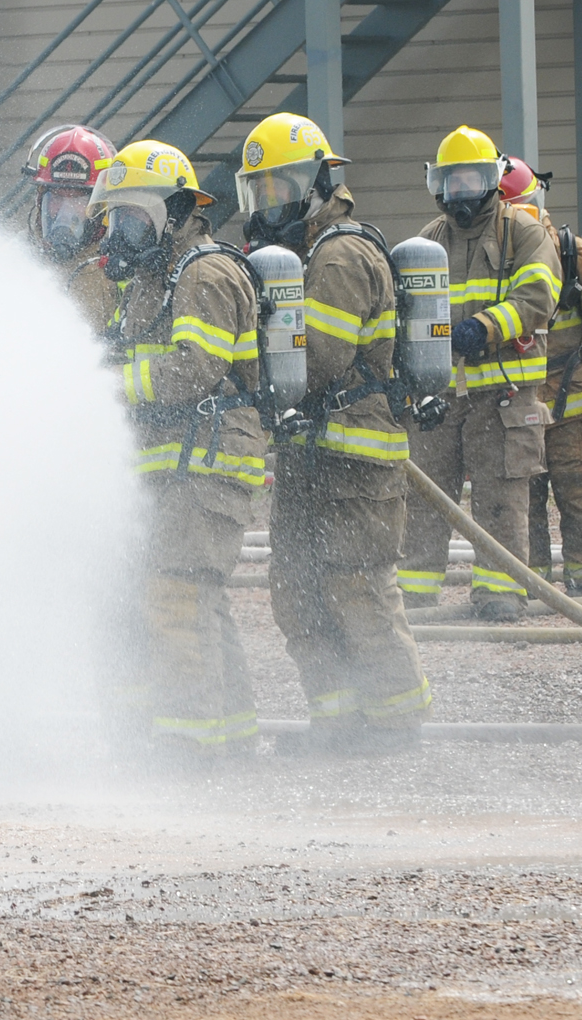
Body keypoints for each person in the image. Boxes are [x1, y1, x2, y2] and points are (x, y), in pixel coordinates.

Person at [236, 113, 430, 755]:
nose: (270, 207)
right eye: (260, 193)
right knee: (298, 593)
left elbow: (314, 358)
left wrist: (238, 370)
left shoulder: (341, 255)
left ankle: (396, 725)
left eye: (282, 188)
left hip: (356, 458)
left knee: (357, 591)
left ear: (320, 182)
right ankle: (339, 721)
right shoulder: (301, 259)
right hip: (309, 458)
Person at [93, 140, 265, 759]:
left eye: (131, 218)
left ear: (170, 210)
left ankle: (190, 750)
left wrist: (108, 388)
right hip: (184, 462)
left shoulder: (204, 273)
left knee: (174, 596)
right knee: (197, 597)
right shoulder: (153, 281)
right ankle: (232, 737)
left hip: (210, 458)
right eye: (114, 219)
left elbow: (194, 369)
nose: (119, 233)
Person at [396, 127, 562, 622]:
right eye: (452, 182)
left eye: (470, 180)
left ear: (491, 180)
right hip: (442, 394)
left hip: (504, 395)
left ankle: (500, 594)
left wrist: (483, 328)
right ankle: (414, 595)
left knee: (501, 497)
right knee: (425, 495)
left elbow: (537, 299)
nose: (460, 193)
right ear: (438, 184)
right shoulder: (428, 242)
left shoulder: (524, 232)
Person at [501, 158, 582, 594]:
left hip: (574, 408)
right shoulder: (491, 260)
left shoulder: (571, 252)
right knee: (524, 500)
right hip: (517, 405)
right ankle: (532, 584)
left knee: (580, 497)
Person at [20, 123, 119, 329]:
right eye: (56, 197)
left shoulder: (120, 267)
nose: (65, 213)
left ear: (102, 205)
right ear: (40, 200)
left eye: (77, 200)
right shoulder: (14, 260)